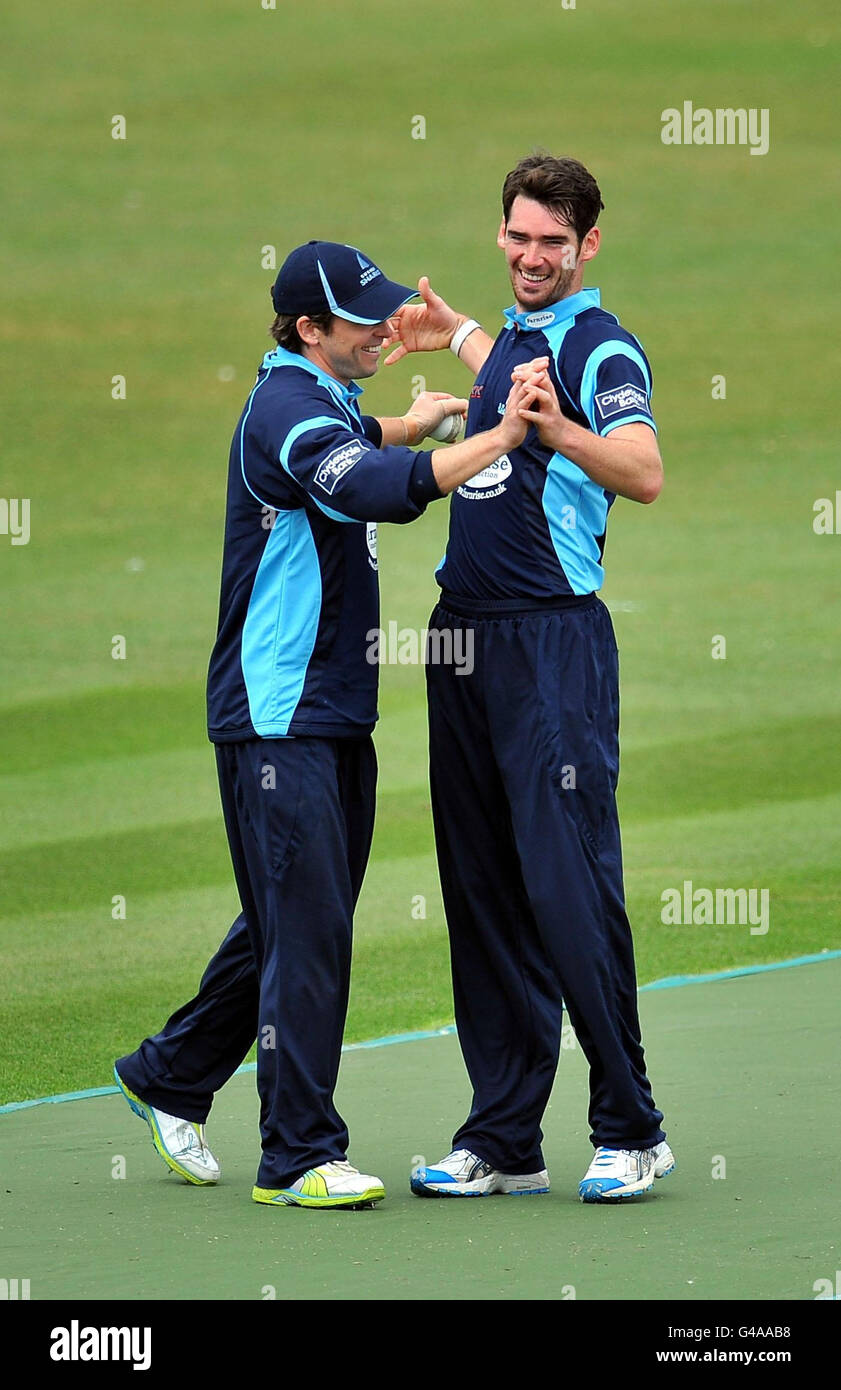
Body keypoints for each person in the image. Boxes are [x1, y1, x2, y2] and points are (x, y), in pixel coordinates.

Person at [113, 240, 542, 1210]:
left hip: (330, 710)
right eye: (361, 317)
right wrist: (487, 440)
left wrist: (405, 421)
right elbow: (368, 491)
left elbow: (354, 443)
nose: (382, 327)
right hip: (280, 720)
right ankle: (299, 1151)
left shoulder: (318, 397)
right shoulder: (285, 410)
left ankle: (170, 1073)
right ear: (308, 329)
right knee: (307, 928)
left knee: (293, 915)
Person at [383, 155, 675, 1202]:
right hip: (461, 644)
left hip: (551, 647)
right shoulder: (512, 335)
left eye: (553, 240)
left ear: (588, 244)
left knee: (566, 885)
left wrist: (557, 433)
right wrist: (459, 336)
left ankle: (631, 1126)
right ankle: (505, 1135)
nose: (533, 255)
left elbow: (641, 470)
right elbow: (500, 362)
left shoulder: (603, 347)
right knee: (483, 891)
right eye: (519, 236)